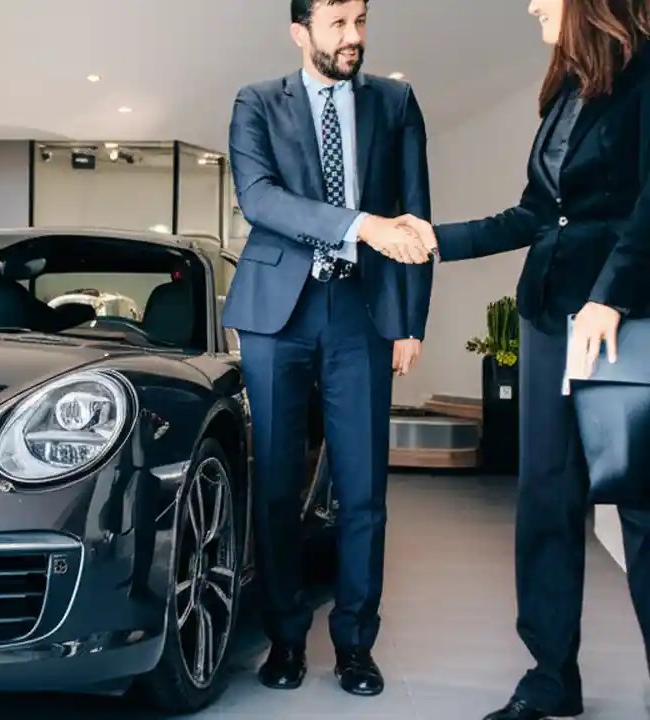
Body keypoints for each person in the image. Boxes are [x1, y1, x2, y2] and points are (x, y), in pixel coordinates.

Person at [395, 1, 650, 717]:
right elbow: (537, 214)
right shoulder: (567, 89)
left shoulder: (646, 73)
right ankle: (550, 676)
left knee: (640, 504)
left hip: (621, 322)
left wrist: (612, 296)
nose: (532, 4)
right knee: (545, 496)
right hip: (547, 315)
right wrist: (436, 238)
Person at [223, 0, 435, 698]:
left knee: (363, 489)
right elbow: (260, 199)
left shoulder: (396, 102)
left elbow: (413, 214)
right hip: (275, 314)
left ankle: (354, 646)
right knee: (278, 485)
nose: (353, 38)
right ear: (300, 31)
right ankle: (285, 639)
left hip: (361, 314)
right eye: (338, 24)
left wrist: (411, 321)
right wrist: (361, 225)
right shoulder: (256, 102)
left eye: (361, 22)